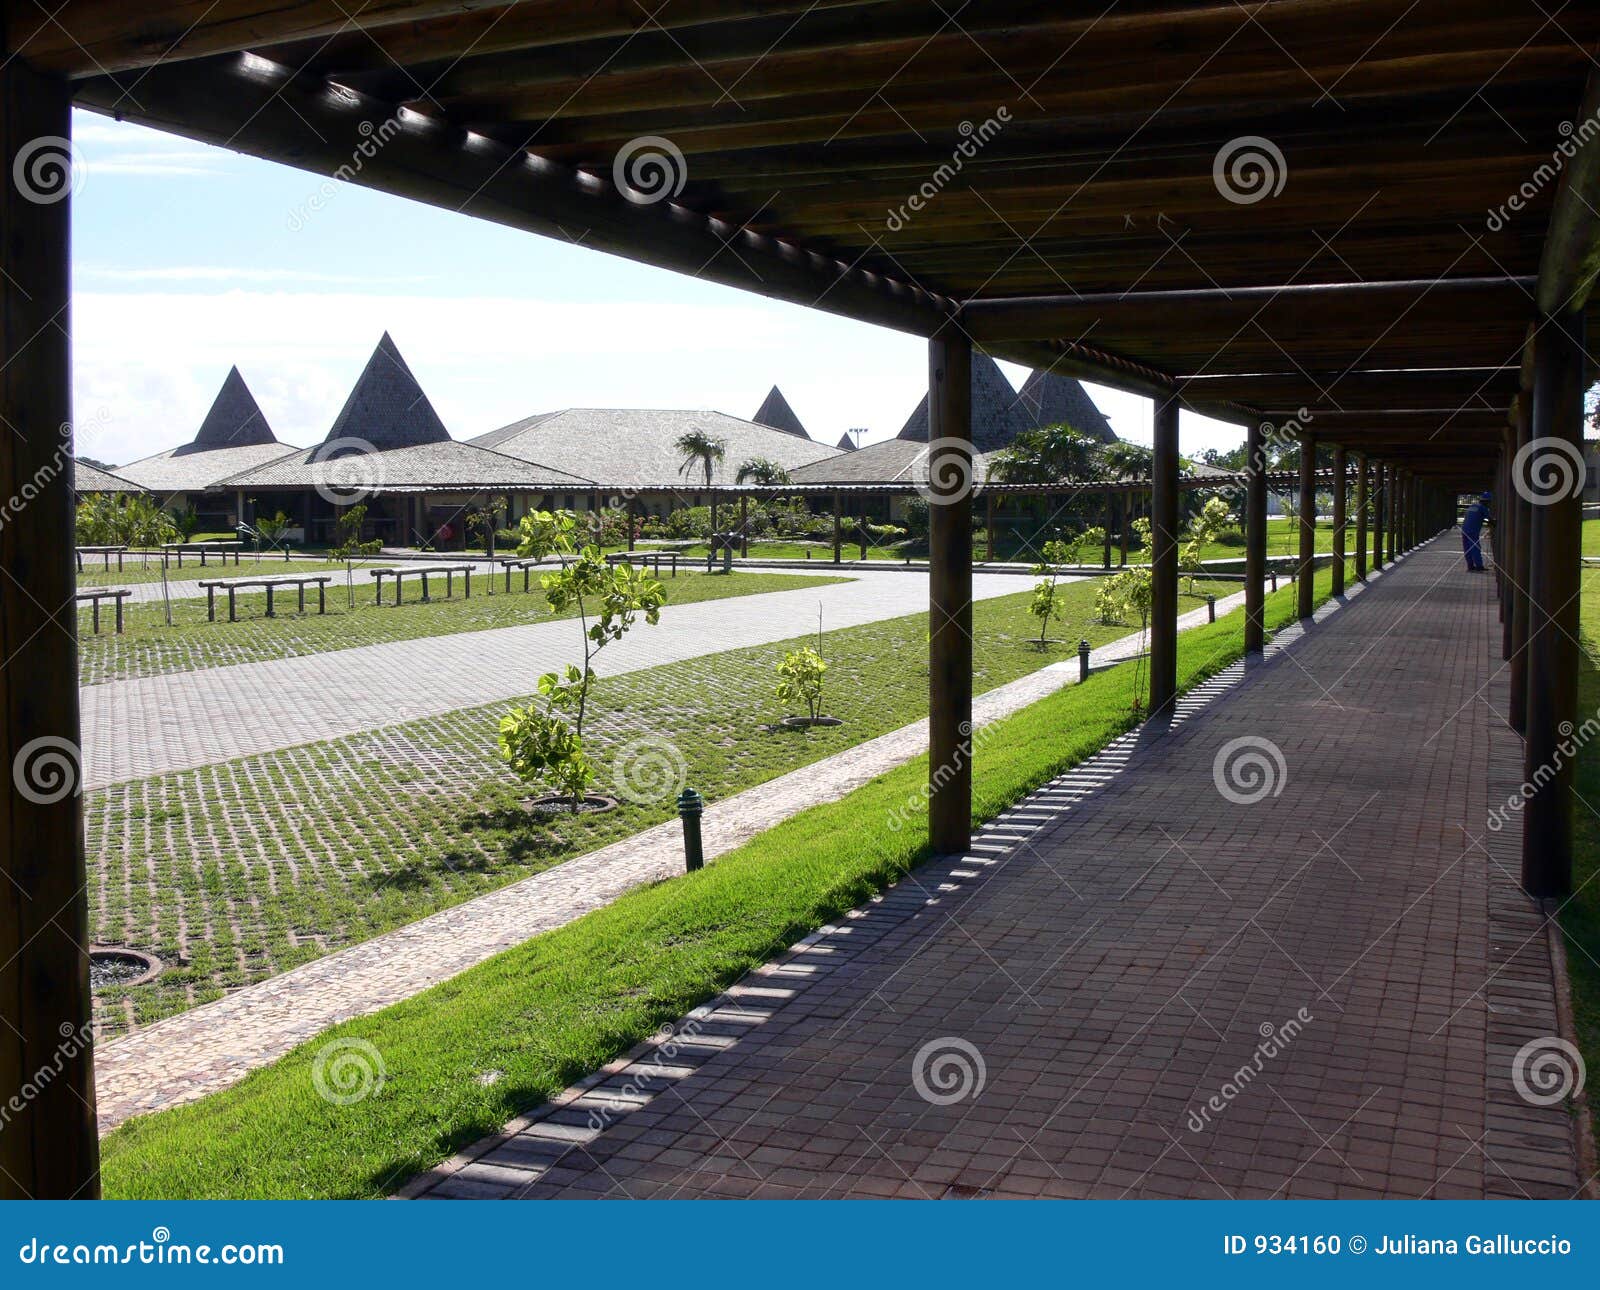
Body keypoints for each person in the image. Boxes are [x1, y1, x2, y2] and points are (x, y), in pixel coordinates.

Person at [1461, 492, 1490, 571]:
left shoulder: (1472, 506)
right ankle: (1479, 566)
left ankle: (1470, 566)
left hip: (1464, 529)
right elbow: (1490, 519)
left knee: (1467, 548)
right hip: (1473, 531)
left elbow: (1474, 516)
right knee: (1475, 548)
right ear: (1487, 501)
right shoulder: (1483, 508)